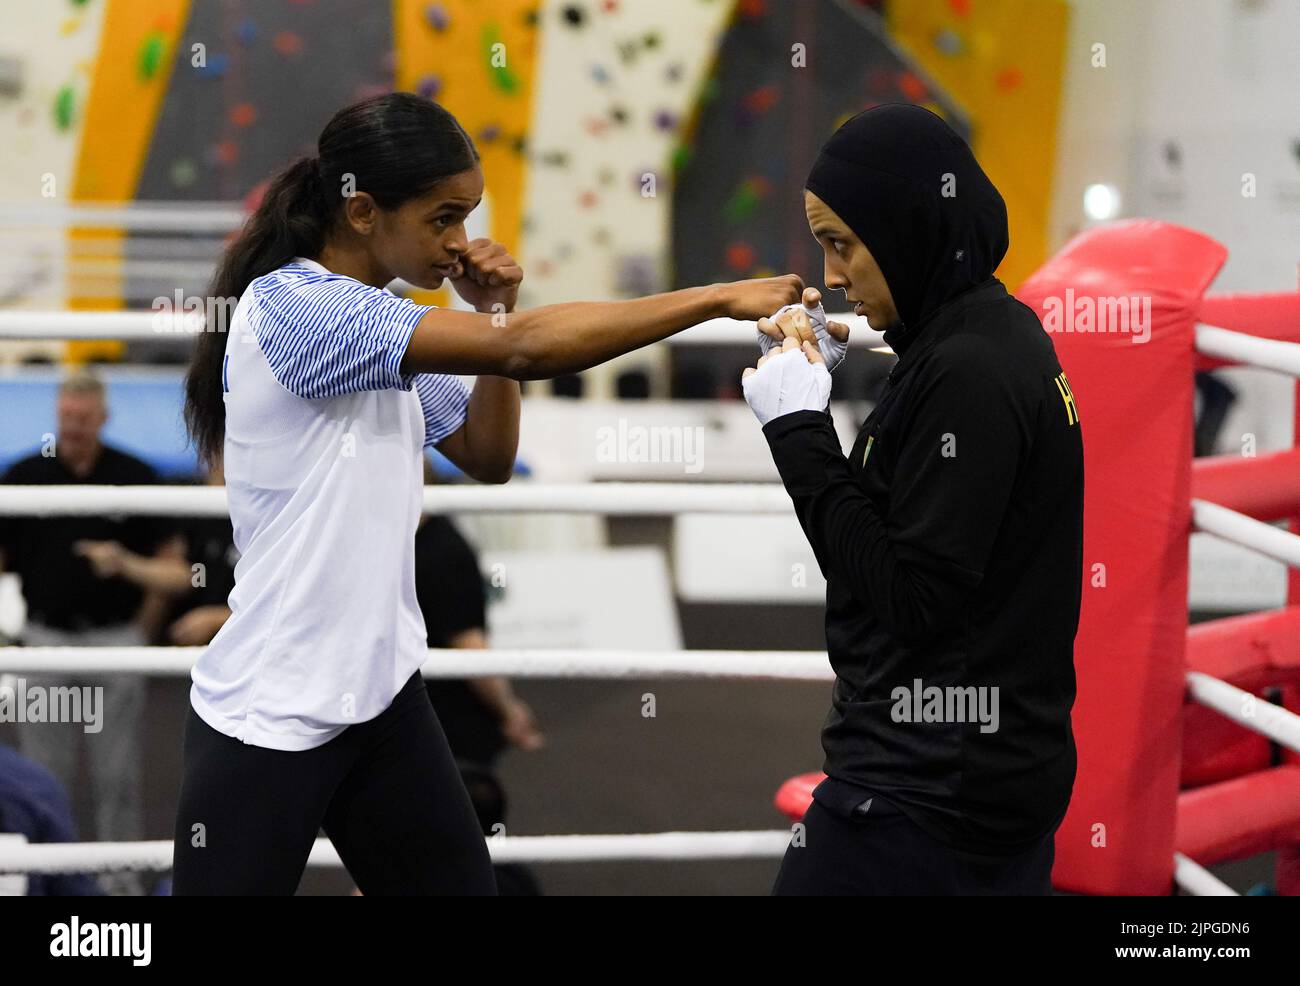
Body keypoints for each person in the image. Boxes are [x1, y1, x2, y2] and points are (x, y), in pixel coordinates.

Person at [172, 92, 803, 895]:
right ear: (363, 211)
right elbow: (533, 352)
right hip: (273, 710)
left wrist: (495, 315)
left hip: (381, 699)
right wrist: (712, 298)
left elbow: (488, 452)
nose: (460, 244)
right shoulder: (301, 308)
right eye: (443, 219)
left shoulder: (384, 322)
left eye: (467, 217)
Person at [743, 104, 1082, 895]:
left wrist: (799, 432)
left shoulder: (967, 371)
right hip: (972, 772)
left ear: (908, 229)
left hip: (922, 791)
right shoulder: (988, 339)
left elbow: (912, 595)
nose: (832, 275)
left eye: (844, 245)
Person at [0, 371, 180, 895]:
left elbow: (175, 572)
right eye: (66, 418)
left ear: (102, 418)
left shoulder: (135, 475)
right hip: (43, 643)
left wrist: (125, 567)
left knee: (117, 776)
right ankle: (40, 882)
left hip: (114, 641)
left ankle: (118, 886)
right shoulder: (26, 475)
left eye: (82, 419)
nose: (73, 427)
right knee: (39, 777)